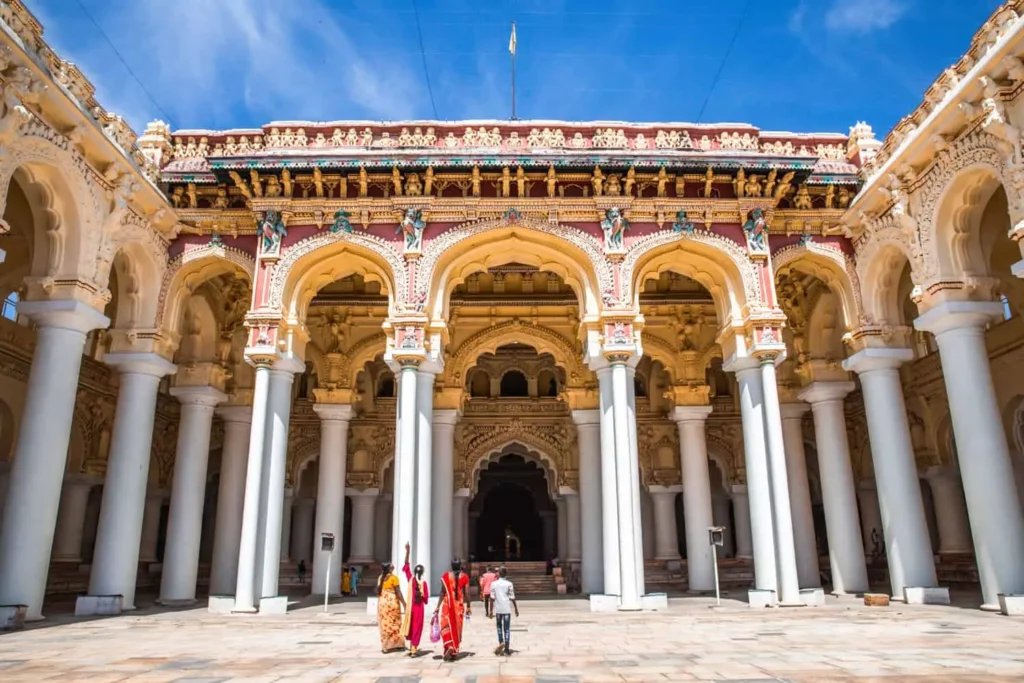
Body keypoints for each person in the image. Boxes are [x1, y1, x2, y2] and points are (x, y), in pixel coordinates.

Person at [434, 557, 471, 661]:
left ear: (451, 566)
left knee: (445, 627)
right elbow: (467, 594)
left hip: (447, 605)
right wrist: (468, 606)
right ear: (460, 566)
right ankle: (454, 651)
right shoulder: (464, 577)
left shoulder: (446, 576)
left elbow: (442, 592)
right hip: (458, 606)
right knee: (456, 628)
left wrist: (437, 607)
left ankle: (449, 646)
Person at [400, 542, 429, 656]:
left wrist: (408, 552)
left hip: (410, 607)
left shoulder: (411, 579)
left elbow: (406, 565)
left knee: (411, 626)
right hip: (419, 608)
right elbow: (426, 599)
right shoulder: (424, 583)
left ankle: (412, 646)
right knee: (418, 627)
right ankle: (414, 648)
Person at [376, 563, 406, 653]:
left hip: (382, 604)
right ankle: (398, 645)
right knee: (395, 624)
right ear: (389, 568)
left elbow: (378, 591)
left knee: (385, 625)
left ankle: (385, 647)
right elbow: (398, 592)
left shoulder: (380, 578)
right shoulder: (394, 578)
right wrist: (404, 603)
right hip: (392, 603)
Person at [490, 566, 519, 656]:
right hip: (506, 609)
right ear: (506, 574)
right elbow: (512, 597)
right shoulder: (509, 584)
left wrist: (490, 610)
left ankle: (501, 642)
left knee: (499, 626)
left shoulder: (494, 584)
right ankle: (506, 649)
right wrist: (516, 609)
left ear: (499, 573)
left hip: (498, 609)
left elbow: (492, 598)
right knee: (507, 629)